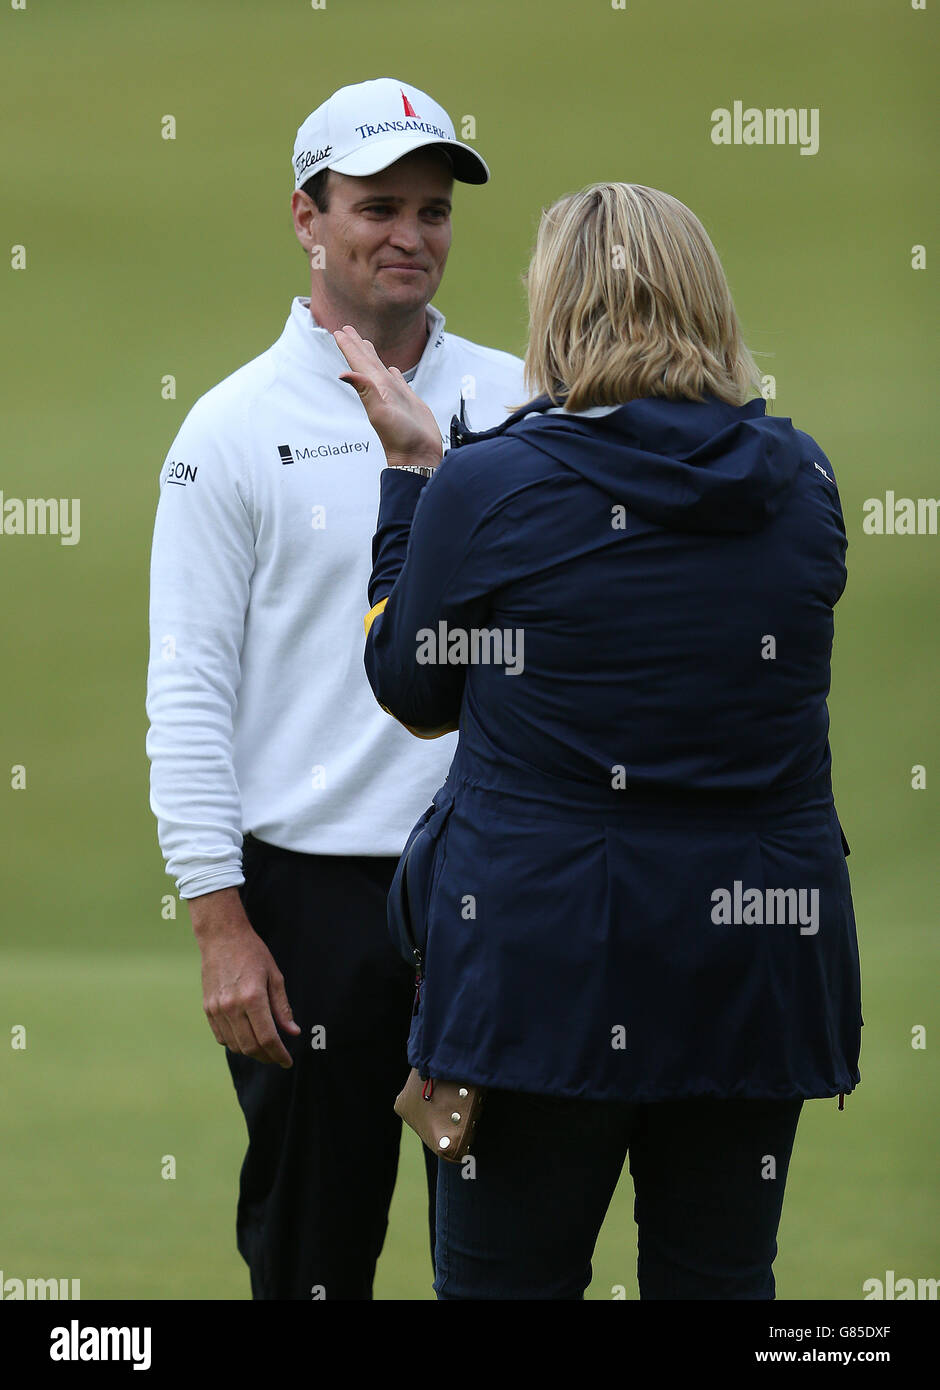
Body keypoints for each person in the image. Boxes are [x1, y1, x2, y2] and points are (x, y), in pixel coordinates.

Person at [334, 182, 863, 1300]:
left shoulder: (489, 483)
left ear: (559, 309)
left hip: (541, 970)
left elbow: (411, 686)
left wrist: (411, 486)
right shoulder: (803, 483)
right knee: (720, 1282)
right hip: (753, 965)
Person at [145, 77, 526, 1300]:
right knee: (313, 1254)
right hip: (311, 902)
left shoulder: (523, 402)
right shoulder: (231, 427)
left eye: (431, 209)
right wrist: (220, 922)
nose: (409, 234)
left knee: (511, 1249)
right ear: (307, 218)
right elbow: (189, 688)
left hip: (497, 879)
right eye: (375, 207)